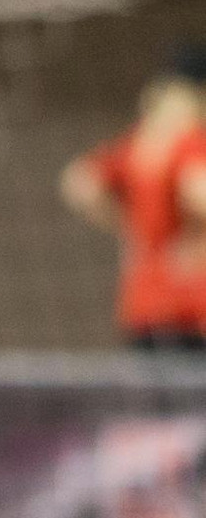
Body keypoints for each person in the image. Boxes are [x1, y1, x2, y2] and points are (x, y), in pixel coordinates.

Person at [60, 44, 206, 353]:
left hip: (143, 303)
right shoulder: (189, 143)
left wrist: (130, 225)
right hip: (189, 303)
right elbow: (197, 191)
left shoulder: (139, 143)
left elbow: (80, 182)